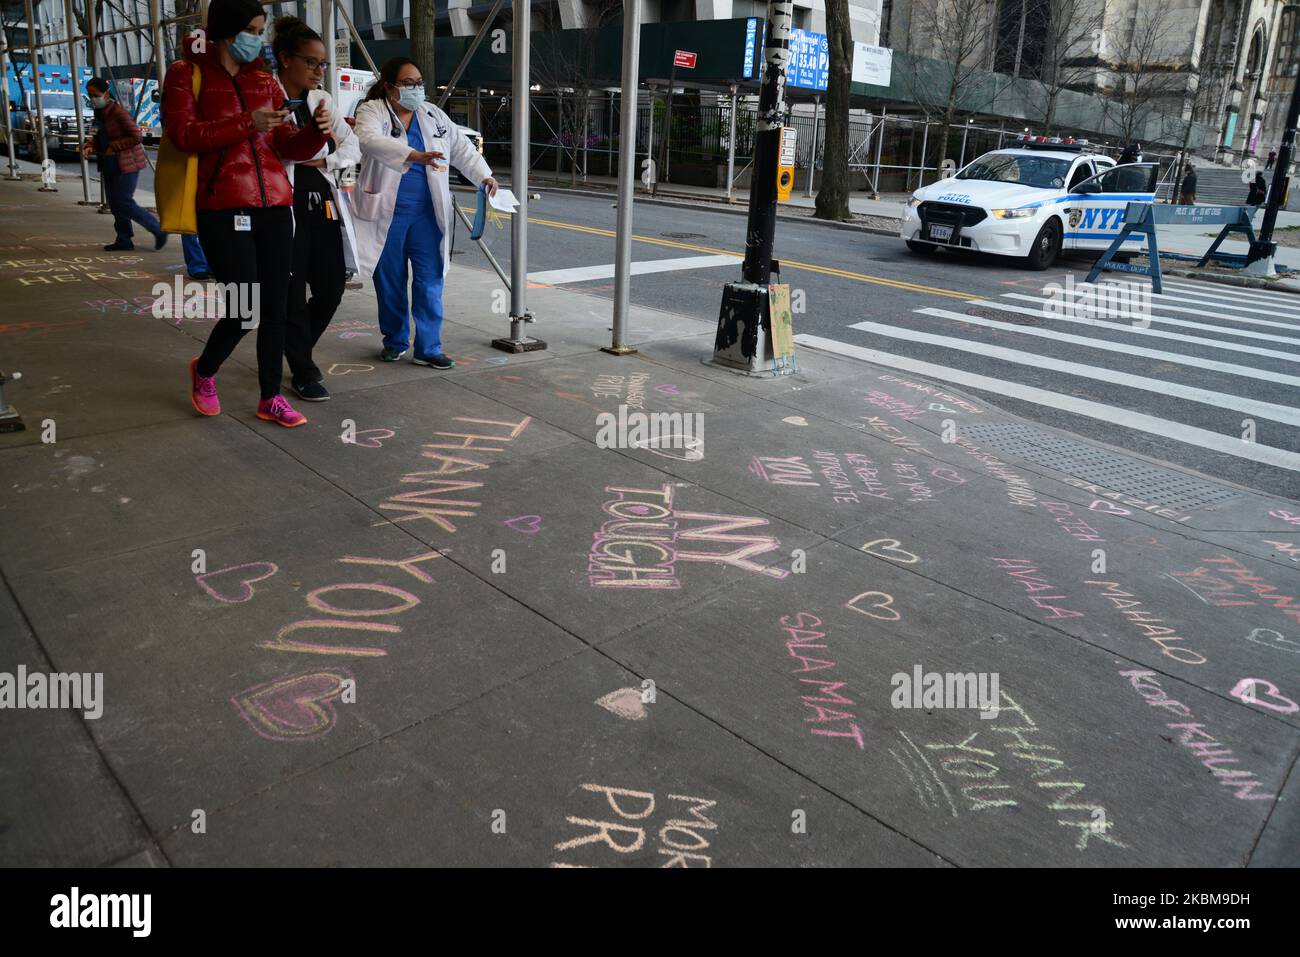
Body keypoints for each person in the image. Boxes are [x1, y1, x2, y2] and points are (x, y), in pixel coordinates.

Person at [163, 0, 329, 427]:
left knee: (275, 307)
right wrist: (246, 123)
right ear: (226, 30)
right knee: (245, 307)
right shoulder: (186, 74)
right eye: (252, 29)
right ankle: (205, 369)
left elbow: (286, 146)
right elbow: (183, 135)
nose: (258, 38)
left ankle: (270, 396)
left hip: (275, 205)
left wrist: (314, 133)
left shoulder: (264, 80)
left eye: (261, 29)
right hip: (222, 207)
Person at [351, 57, 496, 368]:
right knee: (389, 280)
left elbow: (462, 150)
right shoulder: (372, 111)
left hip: (426, 215)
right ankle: (395, 340)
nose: (416, 88)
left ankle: (429, 347)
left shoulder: (433, 115)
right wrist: (413, 155)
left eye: (419, 82)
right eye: (408, 83)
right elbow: (369, 140)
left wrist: (484, 175)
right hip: (385, 213)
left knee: (429, 281)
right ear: (390, 88)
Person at [272, 15, 360, 403]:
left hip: (322, 201)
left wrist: (325, 162)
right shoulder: (267, 97)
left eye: (322, 63)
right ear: (285, 59)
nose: (318, 70)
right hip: (281, 205)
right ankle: (304, 370)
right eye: (311, 62)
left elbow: (353, 147)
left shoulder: (321, 100)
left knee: (330, 288)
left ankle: (290, 348)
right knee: (291, 292)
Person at [82, 78, 167, 252]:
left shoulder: (118, 113)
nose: (92, 99)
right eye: (90, 95)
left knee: (123, 200)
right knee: (115, 203)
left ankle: (157, 229)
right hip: (109, 163)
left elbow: (136, 136)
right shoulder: (99, 114)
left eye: (95, 95)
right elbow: (95, 134)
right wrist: (89, 146)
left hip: (127, 163)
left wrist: (114, 146)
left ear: (106, 94)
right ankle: (124, 238)